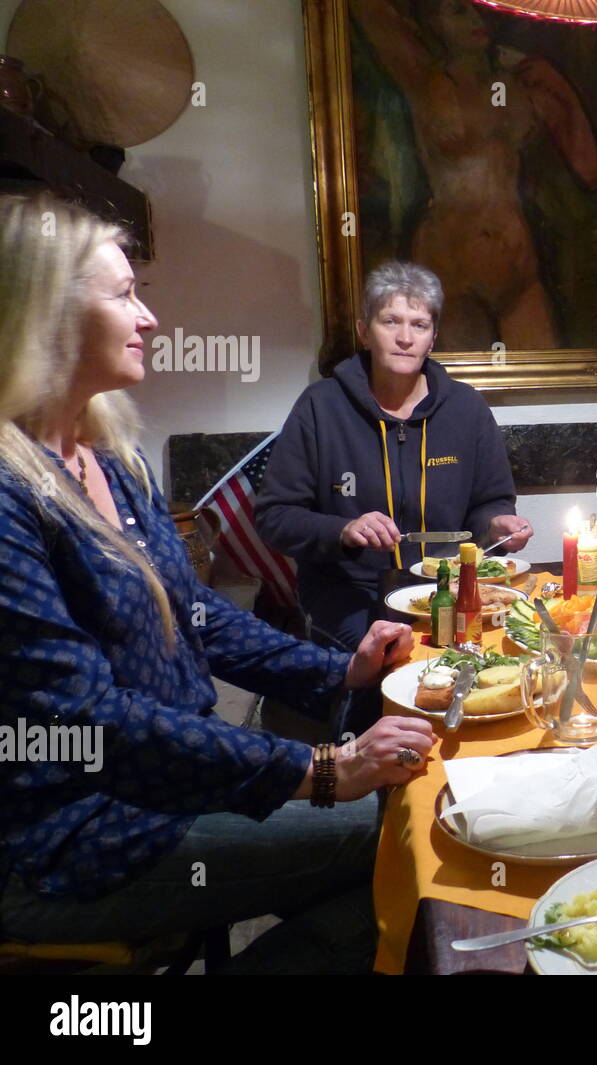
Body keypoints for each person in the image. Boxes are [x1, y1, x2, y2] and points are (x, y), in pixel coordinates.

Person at [0, 193, 434, 974]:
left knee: (400, 824)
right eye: (124, 293)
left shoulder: (110, 457)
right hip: (77, 829)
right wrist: (320, 770)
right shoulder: (9, 492)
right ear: (49, 315)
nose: (150, 318)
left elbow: (195, 612)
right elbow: (93, 725)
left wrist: (340, 669)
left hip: (173, 782)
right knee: (396, 839)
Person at [255, 260, 532, 653]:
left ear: (432, 338)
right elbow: (275, 518)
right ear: (364, 331)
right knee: (393, 661)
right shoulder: (320, 407)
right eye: (390, 321)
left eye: (419, 325)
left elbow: (489, 504)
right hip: (349, 593)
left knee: (496, 654)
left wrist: (498, 525)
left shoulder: (467, 408)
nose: (405, 337)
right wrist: (344, 530)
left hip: (447, 589)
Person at [351, 0, 597, 351]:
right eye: (458, 11)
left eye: (480, 10)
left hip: (517, 264)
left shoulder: (522, 83)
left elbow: (591, 172)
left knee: (538, 381)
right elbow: (371, 14)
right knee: (459, 395)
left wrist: (558, 90)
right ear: (432, 22)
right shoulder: (422, 77)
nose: (476, 19)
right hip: (452, 263)